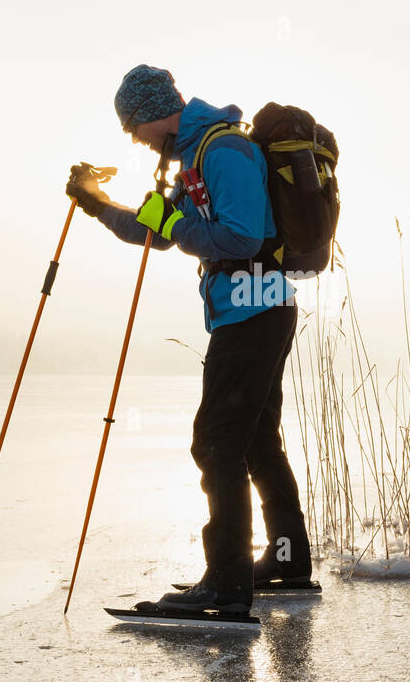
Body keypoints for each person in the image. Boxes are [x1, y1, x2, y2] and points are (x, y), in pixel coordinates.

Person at [65, 64, 312, 614]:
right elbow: (156, 232)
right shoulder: (196, 158)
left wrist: (175, 227)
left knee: (217, 441)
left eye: (134, 127)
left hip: (252, 309)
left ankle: (226, 584)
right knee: (255, 441)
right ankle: (288, 561)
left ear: (156, 113)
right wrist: (98, 204)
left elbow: (240, 235)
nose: (135, 140)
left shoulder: (224, 152)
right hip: (251, 310)